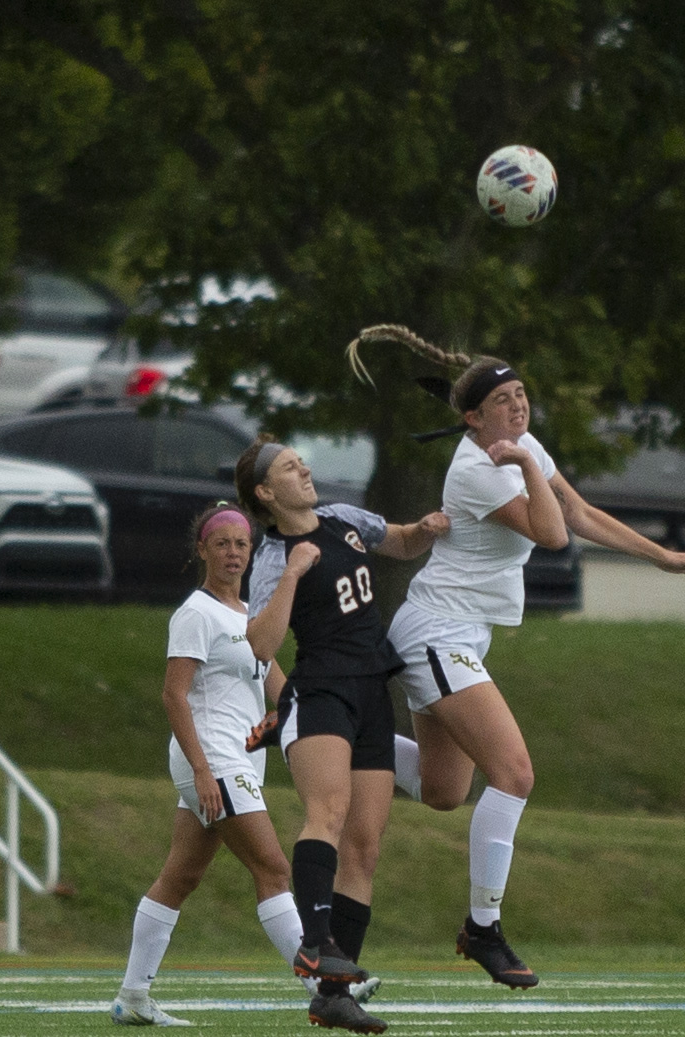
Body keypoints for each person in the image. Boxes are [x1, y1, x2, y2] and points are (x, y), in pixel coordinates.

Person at [345, 324, 685, 988]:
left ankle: (340, 741)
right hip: (436, 633)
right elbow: (549, 533)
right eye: (504, 400)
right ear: (472, 417)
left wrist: (660, 556)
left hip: (454, 635)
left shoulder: (518, 446)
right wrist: (518, 465)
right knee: (513, 773)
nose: (518, 407)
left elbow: (574, 510)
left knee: (442, 791)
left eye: (521, 395)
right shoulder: (477, 467)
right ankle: (482, 928)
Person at [239, 435, 449, 1035]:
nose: (302, 469)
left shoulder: (341, 519)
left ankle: (335, 993)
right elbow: (260, 644)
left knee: (364, 846)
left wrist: (431, 527)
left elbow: (402, 541)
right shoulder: (275, 555)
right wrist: (293, 574)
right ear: (264, 491)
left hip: (371, 693)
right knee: (326, 812)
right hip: (321, 691)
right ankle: (313, 941)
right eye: (287, 466)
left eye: (300, 461)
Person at [114, 502, 336, 1027]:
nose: (233, 552)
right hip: (211, 761)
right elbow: (174, 696)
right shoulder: (196, 612)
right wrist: (200, 769)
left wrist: (329, 718)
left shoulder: (249, 618)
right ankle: (325, 985)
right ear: (202, 551)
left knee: (180, 877)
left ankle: (132, 996)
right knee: (274, 868)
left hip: (237, 761)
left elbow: (283, 694)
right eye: (222, 543)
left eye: (241, 543)